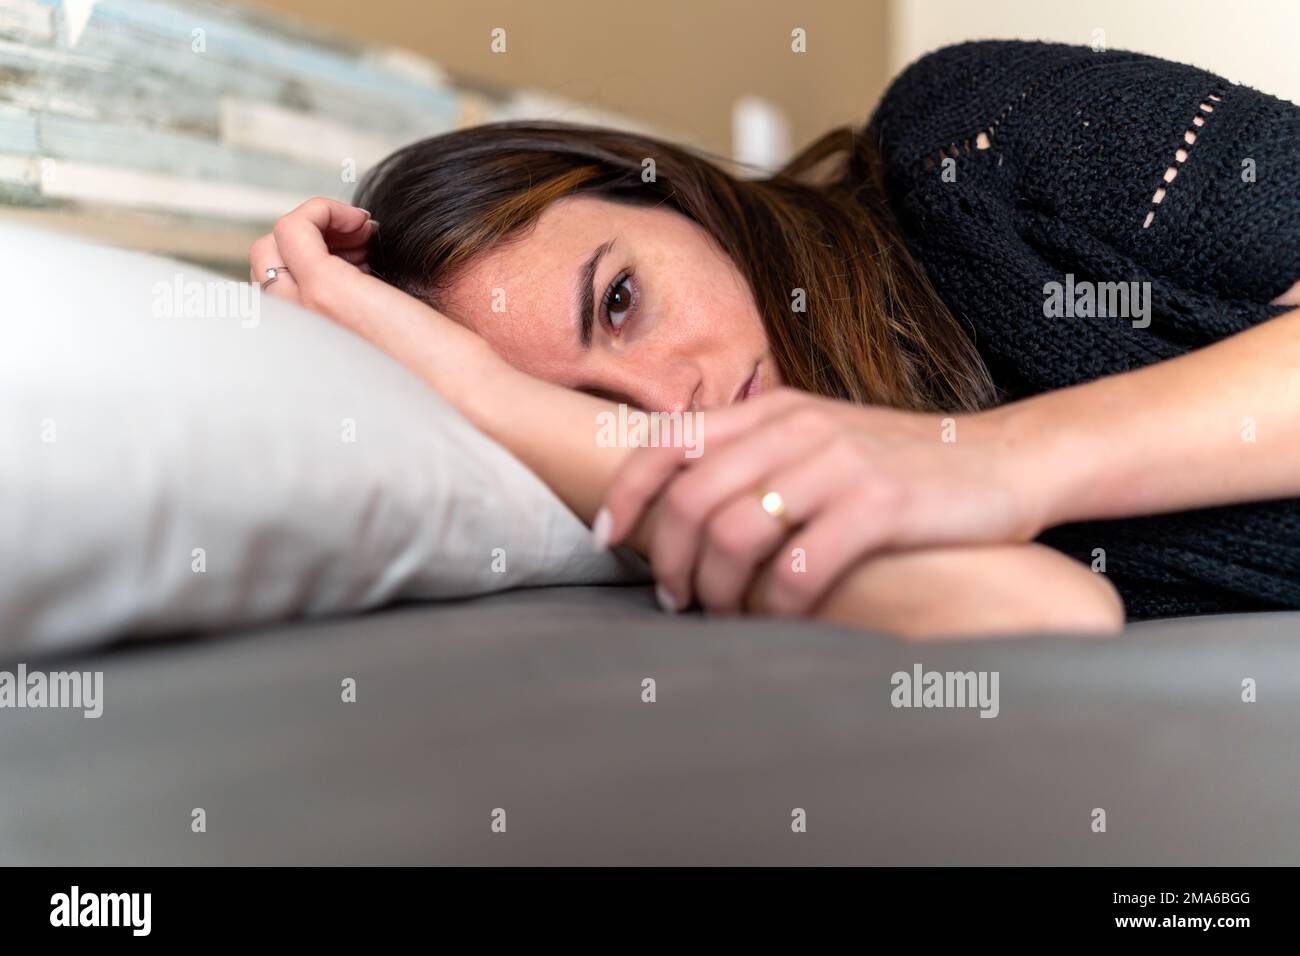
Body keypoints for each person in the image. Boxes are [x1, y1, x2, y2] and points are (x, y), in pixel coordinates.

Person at [248, 40, 1300, 638]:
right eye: (594, 409)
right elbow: (1042, 612)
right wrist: (491, 401)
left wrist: (1002, 459)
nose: (674, 405)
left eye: (618, 300)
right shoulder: (710, 515)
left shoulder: (962, 141)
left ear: (677, 195)